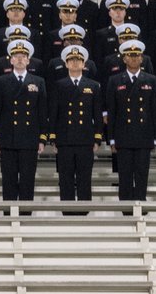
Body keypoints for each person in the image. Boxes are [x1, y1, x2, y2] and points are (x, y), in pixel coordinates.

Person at [0, 40, 48, 213]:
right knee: (8, 178)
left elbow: (42, 112)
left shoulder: (38, 81)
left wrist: (42, 138)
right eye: (17, 56)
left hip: (30, 138)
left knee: (27, 178)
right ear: (11, 60)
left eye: (23, 56)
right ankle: (9, 212)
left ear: (29, 61)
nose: (20, 59)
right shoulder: (1, 81)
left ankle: (26, 213)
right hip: (8, 137)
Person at [48, 45, 103, 215]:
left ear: (84, 63)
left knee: (84, 177)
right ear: (66, 64)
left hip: (85, 138)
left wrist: (97, 137)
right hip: (64, 138)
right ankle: (68, 210)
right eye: (71, 60)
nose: (74, 63)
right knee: (66, 177)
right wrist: (53, 137)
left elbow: (97, 114)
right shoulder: (59, 85)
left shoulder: (93, 86)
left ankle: (84, 210)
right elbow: (53, 112)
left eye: (78, 60)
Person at [105, 40, 156, 204]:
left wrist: (155, 137)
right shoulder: (115, 80)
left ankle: (140, 205)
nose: (134, 58)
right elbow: (112, 112)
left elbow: (155, 110)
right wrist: (112, 139)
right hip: (123, 135)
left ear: (142, 58)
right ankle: (125, 208)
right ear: (124, 59)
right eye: (130, 55)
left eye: (137, 55)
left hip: (144, 135)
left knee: (142, 174)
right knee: (125, 175)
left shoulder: (151, 80)